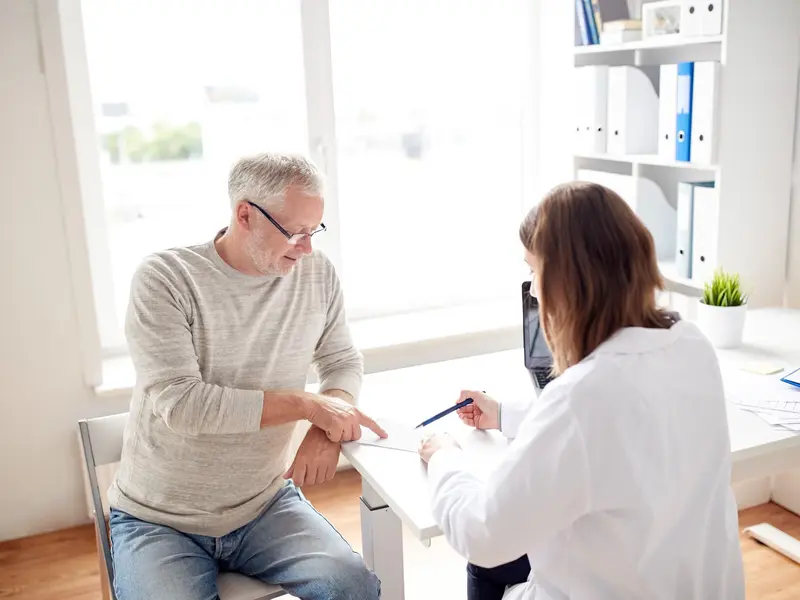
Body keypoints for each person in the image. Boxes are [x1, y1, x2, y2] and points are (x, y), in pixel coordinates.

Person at [419, 182, 745, 600]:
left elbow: (483, 534)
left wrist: (445, 456)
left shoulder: (581, 397)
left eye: (534, 272)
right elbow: (619, 432)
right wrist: (504, 415)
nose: (533, 291)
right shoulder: (692, 344)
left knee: (488, 564)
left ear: (568, 282)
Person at [108, 153, 386, 600]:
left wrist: (324, 427)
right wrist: (308, 405)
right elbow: (183, 405)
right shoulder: (165, 279)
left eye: (314, 231)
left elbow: (342, 362)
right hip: (158, 519)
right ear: (245, 215)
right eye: (296, 232)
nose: (307, 247)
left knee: (354, 588)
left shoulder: (314, 273)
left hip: (264, 505)